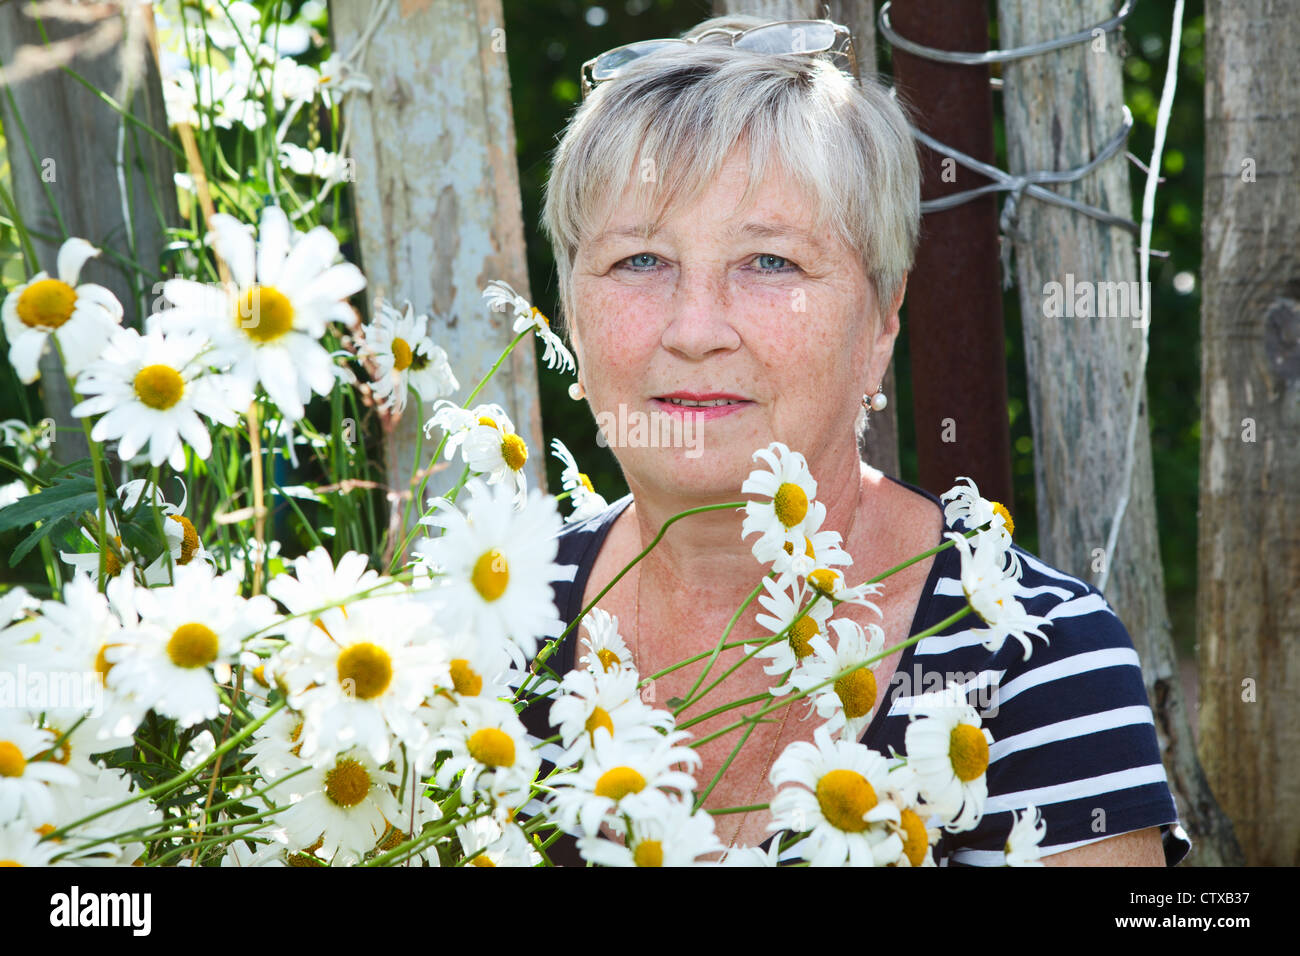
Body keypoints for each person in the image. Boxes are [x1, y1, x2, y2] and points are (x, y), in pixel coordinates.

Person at [522, 13, 1190, 866]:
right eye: (640, 261)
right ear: (573, 311)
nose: (694, 330)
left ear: (882, 317)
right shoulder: (482, 636)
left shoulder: (1032, 662)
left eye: (770, 263)